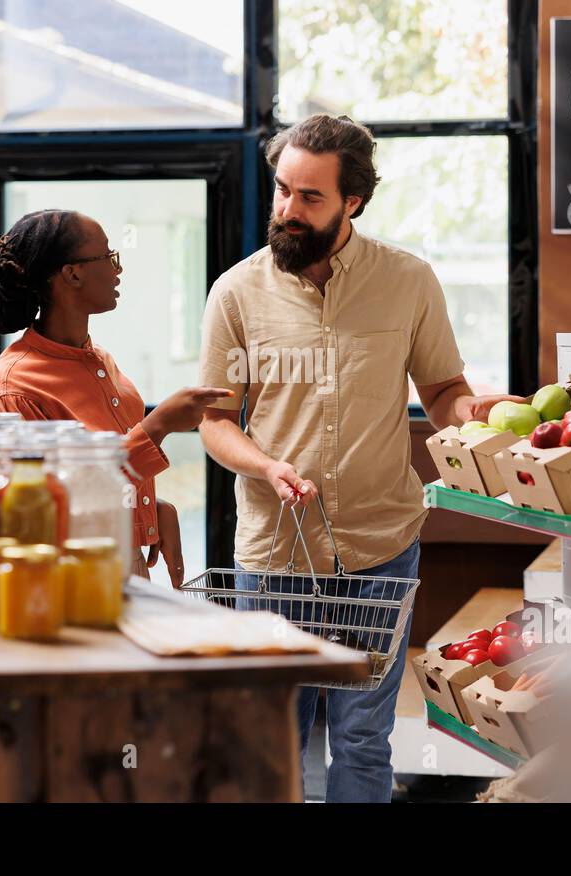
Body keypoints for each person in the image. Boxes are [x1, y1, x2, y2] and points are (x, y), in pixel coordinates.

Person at [197, 114, 521, 802]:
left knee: (362, 740)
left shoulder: (408, 281)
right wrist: (264, 467)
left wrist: (479, 413)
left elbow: (440, 391)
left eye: (310, 197)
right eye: (283, 190)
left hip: (381, 545)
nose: (287, 210)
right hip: (275, 556)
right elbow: (216, 421)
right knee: (277, 739)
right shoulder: (236, 293)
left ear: (354, 201)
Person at [0, 209, 230, 586]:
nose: (118, 270)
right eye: (108, 257)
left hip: (121, 570)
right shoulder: (13, 387)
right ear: (73, 273)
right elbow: (39, 511)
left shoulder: (100, 361)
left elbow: (88, 481)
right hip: (64, 582)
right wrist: (156, 427)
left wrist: (149, 508)